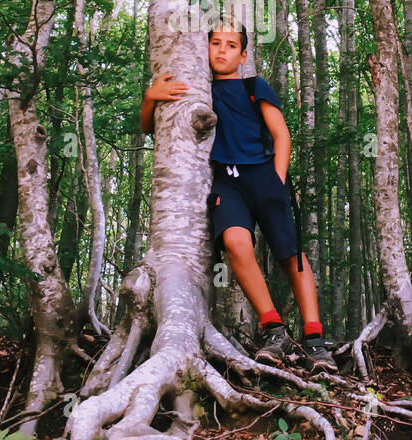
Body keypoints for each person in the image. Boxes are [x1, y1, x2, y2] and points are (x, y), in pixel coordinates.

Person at [140, 22, 338, 372]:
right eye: (215, 42)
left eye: (231, 45)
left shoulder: (253, 85)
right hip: (225, 182)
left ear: (243, 54)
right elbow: (150, 127)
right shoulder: (200, 89)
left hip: (263, 174)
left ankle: (314, 338)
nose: (221, 50)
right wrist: (150, 97)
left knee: (289, 255)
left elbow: (281, 135)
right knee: (235, 244)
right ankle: (275, 330)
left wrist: (276, 180)